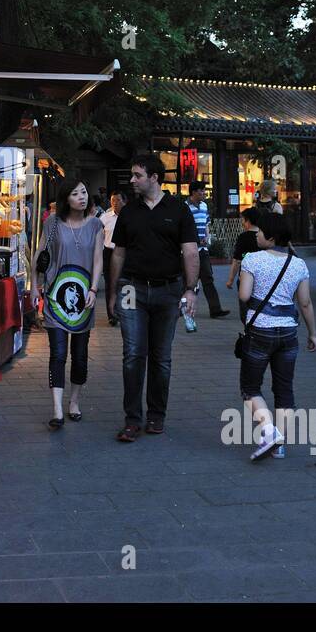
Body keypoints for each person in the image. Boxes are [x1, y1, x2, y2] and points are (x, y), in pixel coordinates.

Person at [109, 153, 201, 441]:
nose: (132, 180)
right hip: (131, 289)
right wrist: (112, 292)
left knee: (161, 358)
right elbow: (119, 254)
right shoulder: (128, 212)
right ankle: (132, 419)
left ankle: (156, 415)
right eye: (132, 175)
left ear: (154, 177)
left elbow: (190, 251)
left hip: (169, 290)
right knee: (132, 355)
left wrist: (191, 289)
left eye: (138, 175)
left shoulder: (179, 209)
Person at [237, 212, 316, 460]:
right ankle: (280, 445)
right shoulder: (299, 264)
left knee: (250, 387)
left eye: (260, 232)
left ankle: (269, 432)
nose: (257, 235)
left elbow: (244, 295)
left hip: (260, 330)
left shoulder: (252, 260)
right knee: (284, 388)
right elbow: (305, 303)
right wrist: (313, 334)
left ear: (270, 237)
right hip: (288, 332)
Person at [31, 178, 104, 429]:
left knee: (80, 356)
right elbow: (40, 255)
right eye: (75, 194)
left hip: (84, 299)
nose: (82, 197)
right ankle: (57, 409)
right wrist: (34, 286)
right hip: (54, 295)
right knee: (58, 353)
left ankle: (74, 401)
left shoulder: (96, 225)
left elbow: (97, 261)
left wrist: (94, 288)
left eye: (84, 192)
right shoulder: (52, 223)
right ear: (66, 199)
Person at [186, 181, 231, 319]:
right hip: (189, 250)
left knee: (208, 279)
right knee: (185, 281)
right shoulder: (185, 207)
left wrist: (207, 237)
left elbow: (205, 224)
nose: (204, 193)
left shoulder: (204, 206)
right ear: (193, 192)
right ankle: (180, 308)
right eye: (201, 191)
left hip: (202, 249)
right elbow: (184, 228)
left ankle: (215, 309)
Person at [226, 208, 261, 320]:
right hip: (262, 276)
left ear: (248, 221)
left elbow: (237, 260)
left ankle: (248, 327)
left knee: (245, 306)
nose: (242, 222)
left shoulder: (243, 237)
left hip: (245, 277)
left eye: (243, 220)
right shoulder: (264, 236)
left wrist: (230, 279)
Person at [100, 191, 124, 326]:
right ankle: (112, 315)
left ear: (124, 201)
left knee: (126, 284)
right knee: (110, 285)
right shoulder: (105, 217)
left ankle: (125, 313)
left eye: (118, 200)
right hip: (109, 253)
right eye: (112, 200)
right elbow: (98, 235)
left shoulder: (128, 217)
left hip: (125, 253)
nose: (115, 203)